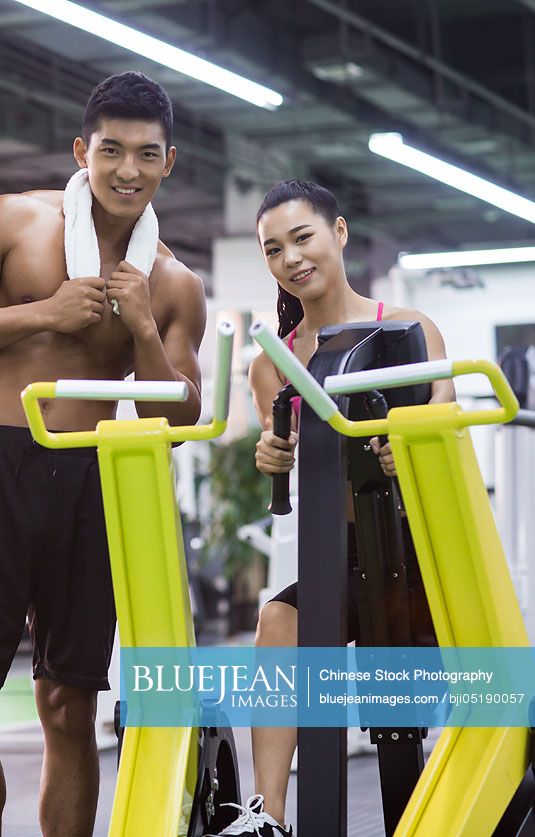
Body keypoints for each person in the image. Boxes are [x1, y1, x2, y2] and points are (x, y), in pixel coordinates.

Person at [0, 71, 207, 837]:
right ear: (82, 149)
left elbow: (180, 412)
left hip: (88, 481)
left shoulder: (172, 282)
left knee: (68, 706)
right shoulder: (10, 221)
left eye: (146, 154)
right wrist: (45, 310)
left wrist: (140, 326)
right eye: (111, 150)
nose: (127, 171)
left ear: (168, 161)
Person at [218, 180, 455, 837]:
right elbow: (282, 451)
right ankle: (266, 818)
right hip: (343, 553)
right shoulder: (274, 363)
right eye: (273, 248)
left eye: (302, 238)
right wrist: (271, 454)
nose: (291, 258)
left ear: (339, 233)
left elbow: (448, 420)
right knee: (275, 619)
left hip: (423, 549)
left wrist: (408, 446)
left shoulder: (408, 329)